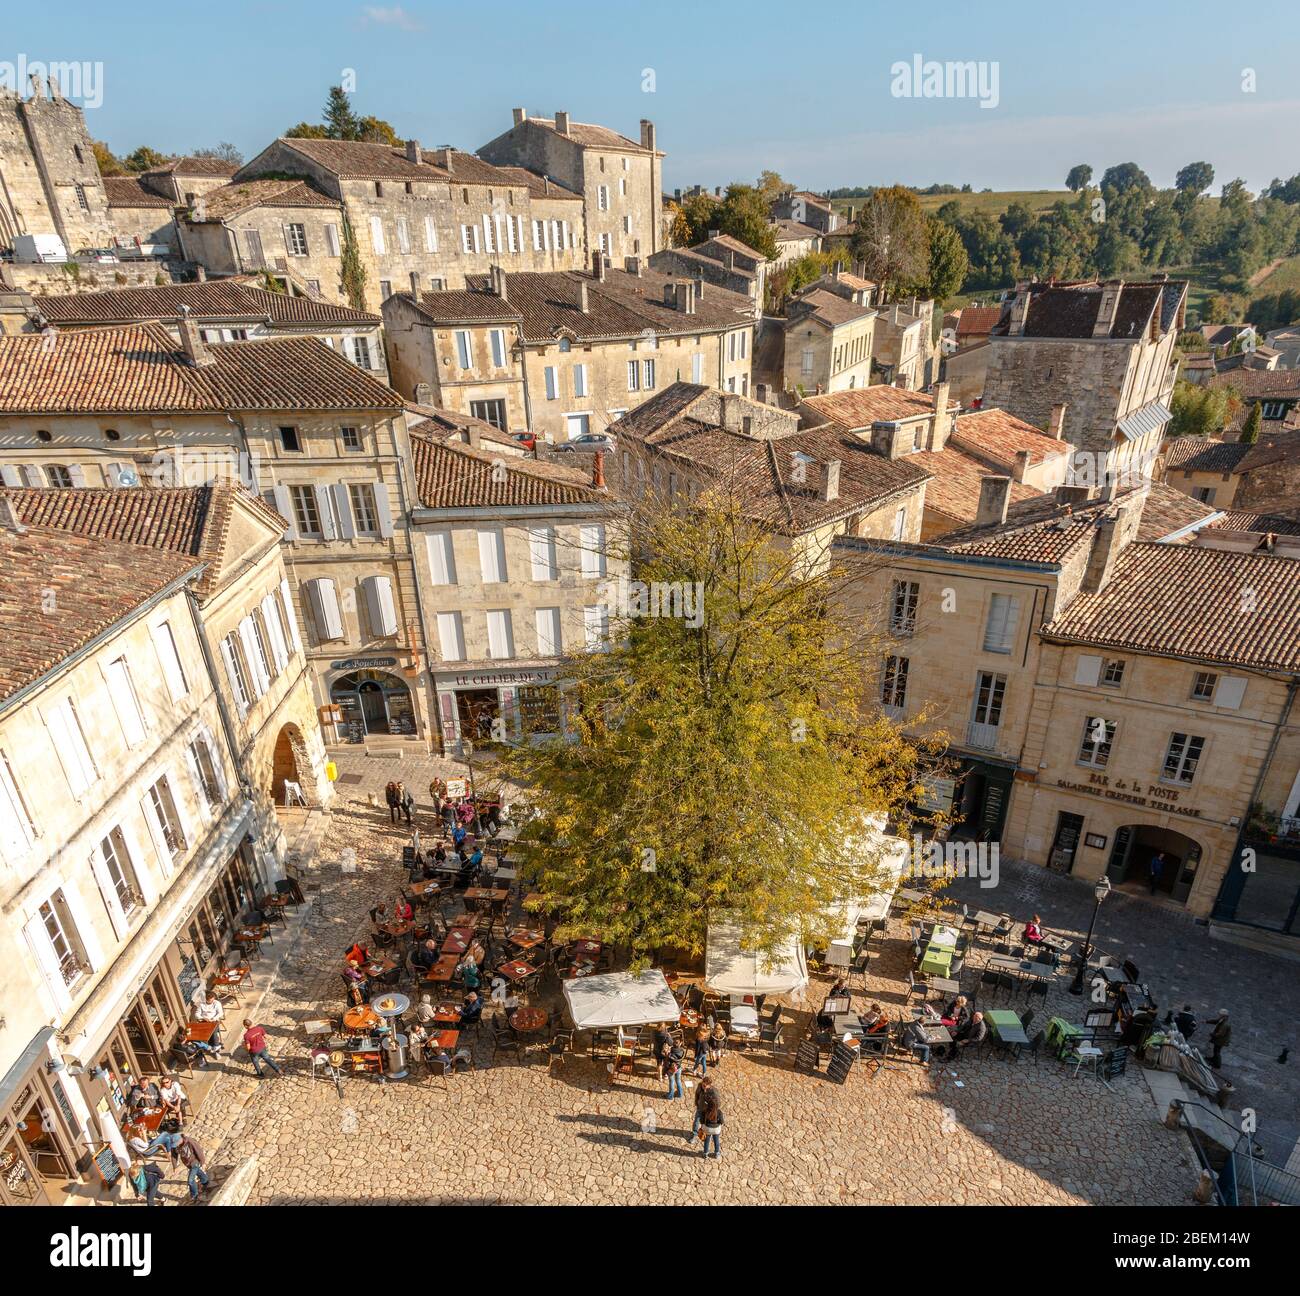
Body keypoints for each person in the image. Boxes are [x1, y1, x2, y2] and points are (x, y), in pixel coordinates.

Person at [176, 1131, 209, 1203]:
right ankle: (205, 1181)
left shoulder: (190, 1141)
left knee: (190, 1181)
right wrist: (174, 1166)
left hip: (195, 1162)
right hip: (188, 1164)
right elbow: (174, 1155)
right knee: (198, 1172)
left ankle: (194, 1195)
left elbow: (198, 1150)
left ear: (180, 1139)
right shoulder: (176, 1144)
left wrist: (202, 1162)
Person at [691, 1074, 720, 1140]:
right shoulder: (699, 1086)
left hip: (708, 1111)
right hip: (700, 1108)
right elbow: (697, 1094)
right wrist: (697, 1103)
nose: (703, 1087)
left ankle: (705, 1135)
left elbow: (718, 1103)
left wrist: (711, 1110)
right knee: (696, 1121)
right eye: (702, 1085)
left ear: (709, 1085)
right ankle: (695, 1134)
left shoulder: (714, 1092)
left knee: (705, 1123)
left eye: (704, 1086)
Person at [699, 1091, 724, 1160]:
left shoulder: (704, 1111)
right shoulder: (719, 1112)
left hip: (707, 1129)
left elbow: (701, 1121)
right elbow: (722, 1121)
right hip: (716, 1129)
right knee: (716, 1141)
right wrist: (718, 1124)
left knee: (707, 1141)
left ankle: (705, 1154)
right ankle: (717, 1154)